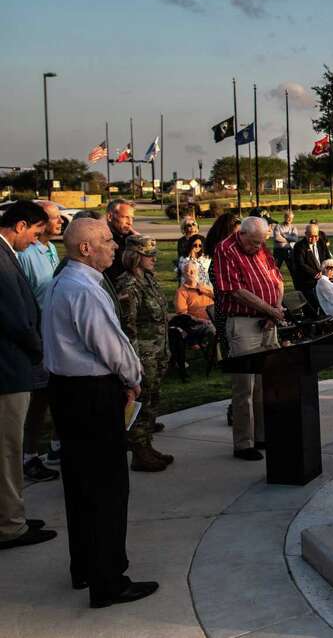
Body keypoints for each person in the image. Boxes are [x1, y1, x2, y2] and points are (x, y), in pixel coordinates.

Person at [43, 218, 159, 606]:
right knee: (107, 489)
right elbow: (110, 346)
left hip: (67, 392)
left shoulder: (64, 282)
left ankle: (85, 567)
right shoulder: (85, 290)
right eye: (108, 241)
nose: (115, 246)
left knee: (80, 487)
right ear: (86, 249)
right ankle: (109, 580)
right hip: (92, 394)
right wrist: (132, 377)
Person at [0, 201, 57, 551]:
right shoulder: (2, 258)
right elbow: (16, 318)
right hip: (9, 369)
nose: (37, 241)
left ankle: (11, 514)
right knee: (8, 450)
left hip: (12, 364)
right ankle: (10, 525)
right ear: (21, 225)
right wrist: (40, 350)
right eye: (36, 232)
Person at [210, 216, 285, 461]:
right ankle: (244, 443)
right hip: (244, 324)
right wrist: (269, 309)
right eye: (253, 243)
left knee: (266, 383)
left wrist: (276, 307)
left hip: (268, 321)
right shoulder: (225, 250)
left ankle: (263, 435)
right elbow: (234, 290)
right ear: (241, 234)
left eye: (260, 243)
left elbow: (277, 278)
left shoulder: (260, 245)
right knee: (245, 387)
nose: (256, 248)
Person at [114, 236, 173, 472]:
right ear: (136, 257)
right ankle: (138, 450)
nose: (154, 259)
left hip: (158, 351)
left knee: (152, 401)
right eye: (150, 255)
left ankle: (147, 445)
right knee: (141, 401)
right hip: (143, 356)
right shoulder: (128, 285)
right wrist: (133, 362)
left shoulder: (148, 280)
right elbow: (129, 327)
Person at [16, 201, 63, 484]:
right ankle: (29, 455)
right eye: (54, 218)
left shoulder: (52, 248)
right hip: (36, 336)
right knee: (37, 399)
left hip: (56, 334)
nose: (60, 222)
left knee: (57, 393)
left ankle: (57, 446)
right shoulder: (25, 252)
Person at [171, 259, 217, 376]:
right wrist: (200, 320)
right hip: (194, 325)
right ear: (184, 274)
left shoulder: (205, 287)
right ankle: (214, 359)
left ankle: (220, 356)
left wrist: (206, 291)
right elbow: (182, 315)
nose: (191, 274)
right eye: (188, 271)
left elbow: (219, 300)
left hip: (212, 320)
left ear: (198, 273)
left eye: (193, 271)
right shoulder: (181, 292)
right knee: (213, 330)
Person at [292, 222, 332, 310]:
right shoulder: (299, 246)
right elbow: (301, 264)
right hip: (307, 281)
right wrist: (315, 274)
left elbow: (328, 258)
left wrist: (328, 270)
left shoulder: (321, 242)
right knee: (311, 307)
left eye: (316, 236)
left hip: (323, 278)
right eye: (311, 236)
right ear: (305, 234)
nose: (314, 238)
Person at [103, 198, 136, 285]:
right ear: (110, 217)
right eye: (125, 217)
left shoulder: (130, 238)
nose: (130, 223)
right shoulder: (101, 241)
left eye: (132, 218)